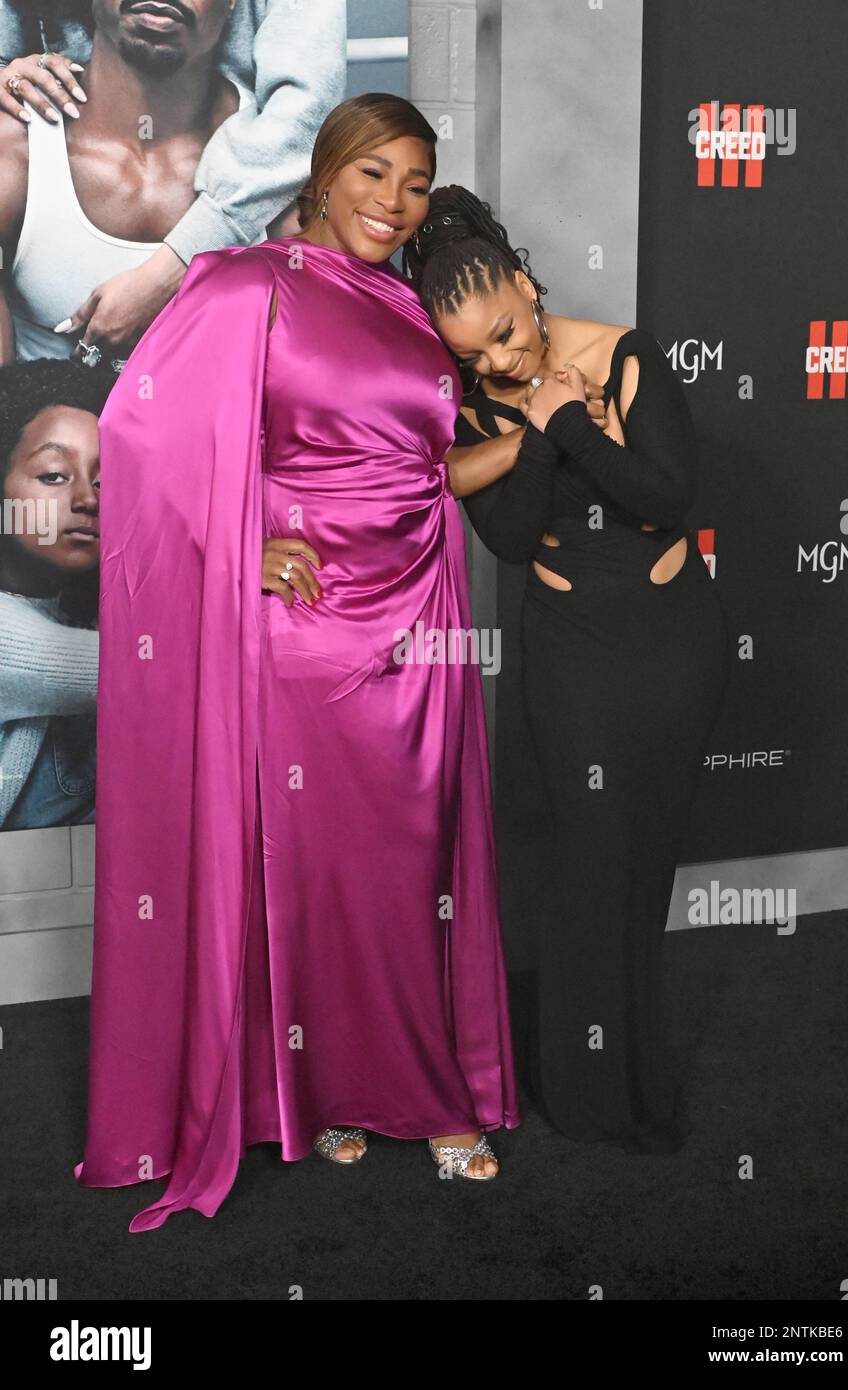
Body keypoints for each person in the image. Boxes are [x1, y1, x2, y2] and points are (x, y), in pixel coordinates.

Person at [73, 95, 520, 1234]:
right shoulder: (245, 284)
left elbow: (420, 460)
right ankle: (329, 1090)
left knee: (409, 866)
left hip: (417, 618)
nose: (393, 203)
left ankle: (420, 1086)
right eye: (374, 174)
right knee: (318, 875)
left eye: (415, 184)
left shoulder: (411, 304)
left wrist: (549, 427)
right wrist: (245, 535)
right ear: (324, 173)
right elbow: (141, 433)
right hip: (308, 638)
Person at [404, 186, 731, 1153]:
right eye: (476, 357)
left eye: (506, 331)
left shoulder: (627, 355)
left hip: (674, 646)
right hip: (570, 656)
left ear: (524, 281)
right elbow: (506, 538)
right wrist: (544, 430)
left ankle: (635, 1075)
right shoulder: (471, 411)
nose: (502, 360)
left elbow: (664, 496)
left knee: (641, 865)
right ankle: (589, 1096)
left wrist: (569, 426)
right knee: (588, 860)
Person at [0, 0, 346, 362]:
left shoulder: (280, 199)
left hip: (239, 166)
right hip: (62, 121)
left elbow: (306, 113)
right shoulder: (17, 150)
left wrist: (175, 267)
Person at [0, 357, 114, 827]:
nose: (88, 499)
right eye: (54, 476)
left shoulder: (87, 608)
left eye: (107, 480)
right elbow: (150, 669)